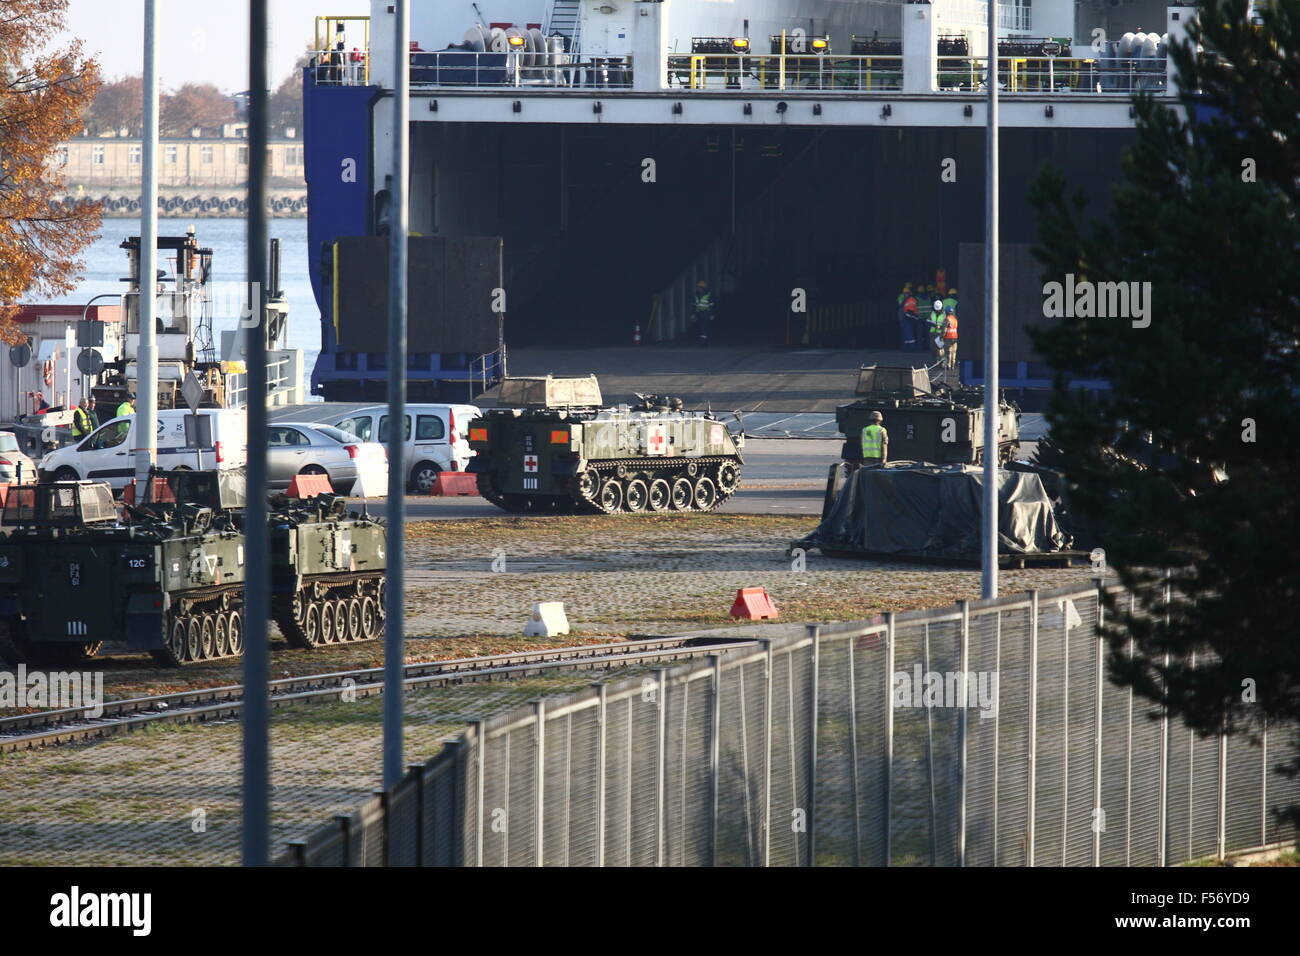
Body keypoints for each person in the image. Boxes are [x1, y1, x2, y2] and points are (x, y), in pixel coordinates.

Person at [694, 280, 715, 346]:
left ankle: (703, 342)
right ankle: (703, 341)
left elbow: (712, 306)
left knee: (705, 328)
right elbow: (695, 305)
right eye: (697, 287)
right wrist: (693, 314)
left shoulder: (709, 295)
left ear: (703, 288)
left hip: (706, 313)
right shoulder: (696, 295)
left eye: (699, 287)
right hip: (699, 313)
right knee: (700, 328)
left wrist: (712, 314)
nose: (698, 288)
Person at [942, 306, 959, 371]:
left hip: (948, 337)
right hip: (955, 337)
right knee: (954, 352)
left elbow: (944, 330)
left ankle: (948, 366)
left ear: (946, 312)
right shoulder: (955, 319)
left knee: (948, 352)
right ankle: (953, 365)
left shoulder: (947, 319)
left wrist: (941, 336)